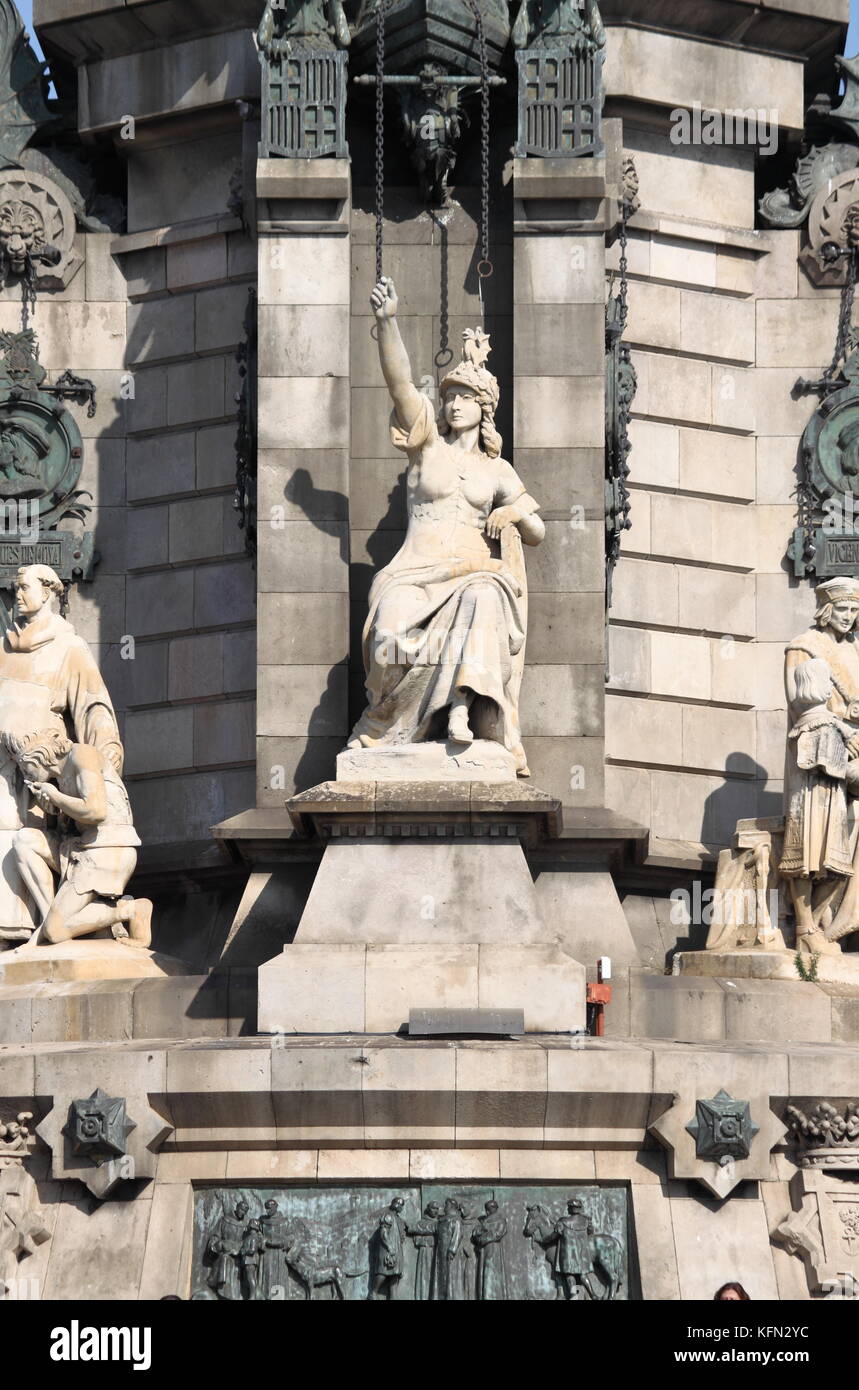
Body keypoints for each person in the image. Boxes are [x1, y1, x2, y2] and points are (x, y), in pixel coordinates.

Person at [348, 278, 545, 776]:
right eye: (449, 396)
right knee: (389, 637)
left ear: (484, 407)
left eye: (464, 397)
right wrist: (387, 322)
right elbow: (401, 384)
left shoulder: (498, 471)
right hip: (413, 576)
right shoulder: (426, 447)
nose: (453, 404)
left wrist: (511, 513)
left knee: (484, 595)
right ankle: (385, 726)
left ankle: (460, 708)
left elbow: (538, 529)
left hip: (473, 573)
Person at [0, 564, 122, 941]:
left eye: (24, 588)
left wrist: (102, 764)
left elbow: (92, 708)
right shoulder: (3, 644)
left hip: (39, 767)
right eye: (15, 588)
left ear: (48, 591)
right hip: (5, 762)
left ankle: (38, 927)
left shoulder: (68, 645)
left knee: (23, 835)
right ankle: (11, 928)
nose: (17, 595)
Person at [4, 726, 152, 947]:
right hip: (81, 849)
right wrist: (53, 808)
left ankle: (130, 910)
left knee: (56, 932)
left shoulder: (83, 755)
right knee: (25, 841)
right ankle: (48, 920)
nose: (27, 777)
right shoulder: (62, 776)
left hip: (109, 851)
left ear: (37, 759)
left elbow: (96, 811)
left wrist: (56, 796)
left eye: (26, 769)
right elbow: (73, 821)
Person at [782, 578, 859, 953]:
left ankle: (837, 917)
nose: (849, 617)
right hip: (816, 758)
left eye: (855, 610)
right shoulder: (803, 646)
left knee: (846, 838)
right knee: (812, 842)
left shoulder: (856, 651)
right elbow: (802, 705)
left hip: (853, 754)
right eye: (843, 609)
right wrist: (845, 722)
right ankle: (806, 925)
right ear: (827, 609)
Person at [368, 1196, 407, 1300]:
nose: (401, 1207)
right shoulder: (387, 1216)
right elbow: (383, 1233)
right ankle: (373, 1293)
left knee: (395, 1274)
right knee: (383, 1272)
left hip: (397, 1250)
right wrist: (389, 1247)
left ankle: (393, 1297)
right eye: (400, 1204)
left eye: (402, 1205)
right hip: (387, 1249)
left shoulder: (399, 1219)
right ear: (395, 1204)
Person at [472, 1199, 508, 1300]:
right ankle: (485, 1296)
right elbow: (475, 1232)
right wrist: (480, 1234)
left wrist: (483, 1238)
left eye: (489, 1209)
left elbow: (498, 1234)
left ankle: (494, 1296)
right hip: (483, 1250)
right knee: (484, 1274)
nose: (487, 1211)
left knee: (492, 1272)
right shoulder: (483, 1221)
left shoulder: (501, 1220)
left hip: (494, 1250)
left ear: (495, 1208)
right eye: (486, 1209)